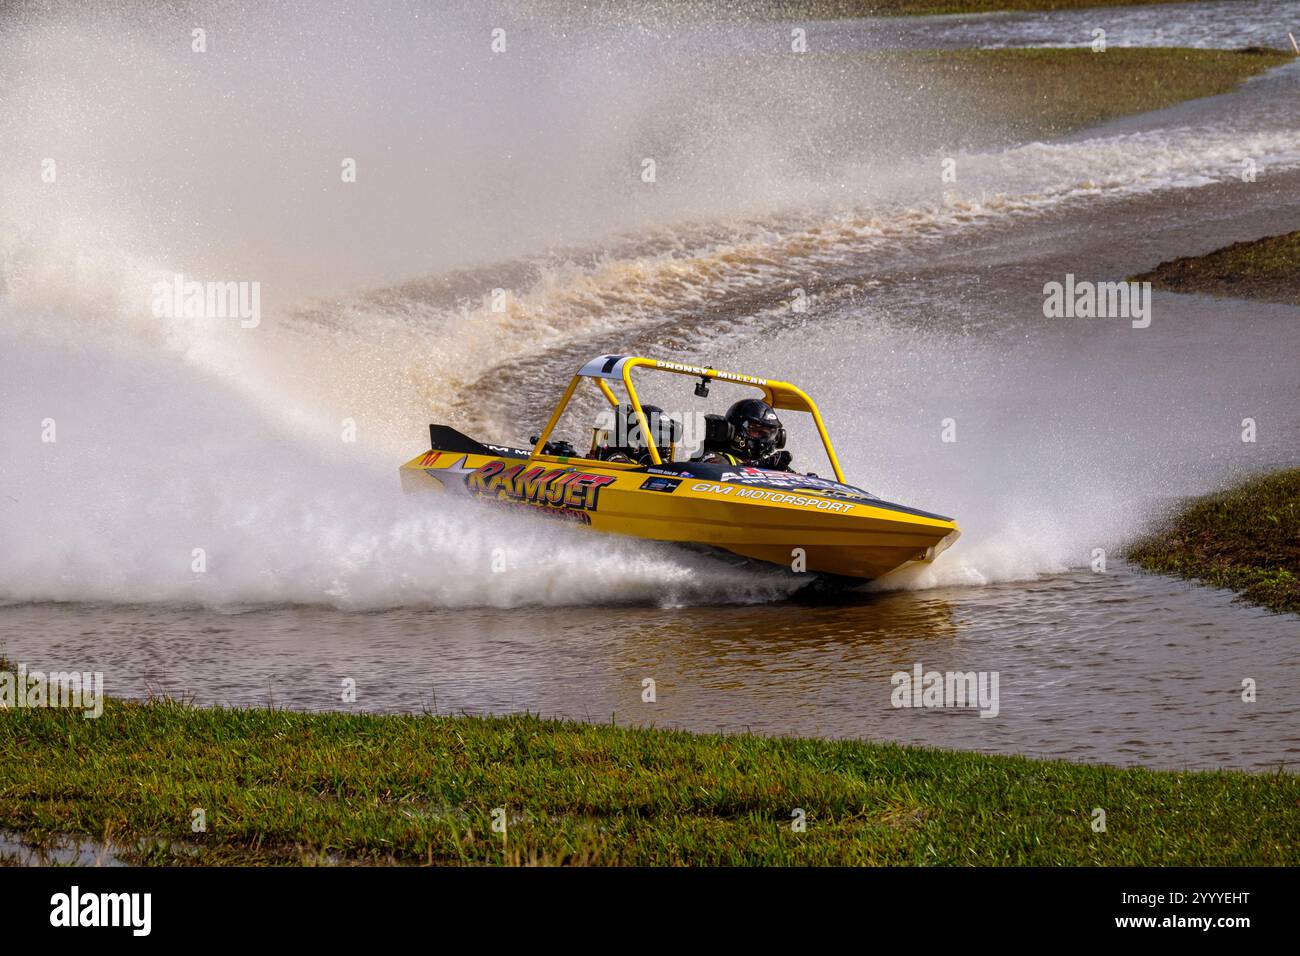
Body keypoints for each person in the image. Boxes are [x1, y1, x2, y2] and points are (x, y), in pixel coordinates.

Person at [699, 398, 794, 471]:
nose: (763, 438)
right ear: (736, 430)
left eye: (767, 433)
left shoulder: (768, 463)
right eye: (756, 430)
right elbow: (717, 473)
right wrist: (760, 465)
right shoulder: (715, 457)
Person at [593, 404, 681, 465]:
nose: (664, 440)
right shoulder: (618, 456)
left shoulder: (659, 462)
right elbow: (618, 463)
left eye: (667, 434)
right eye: (659, 433)